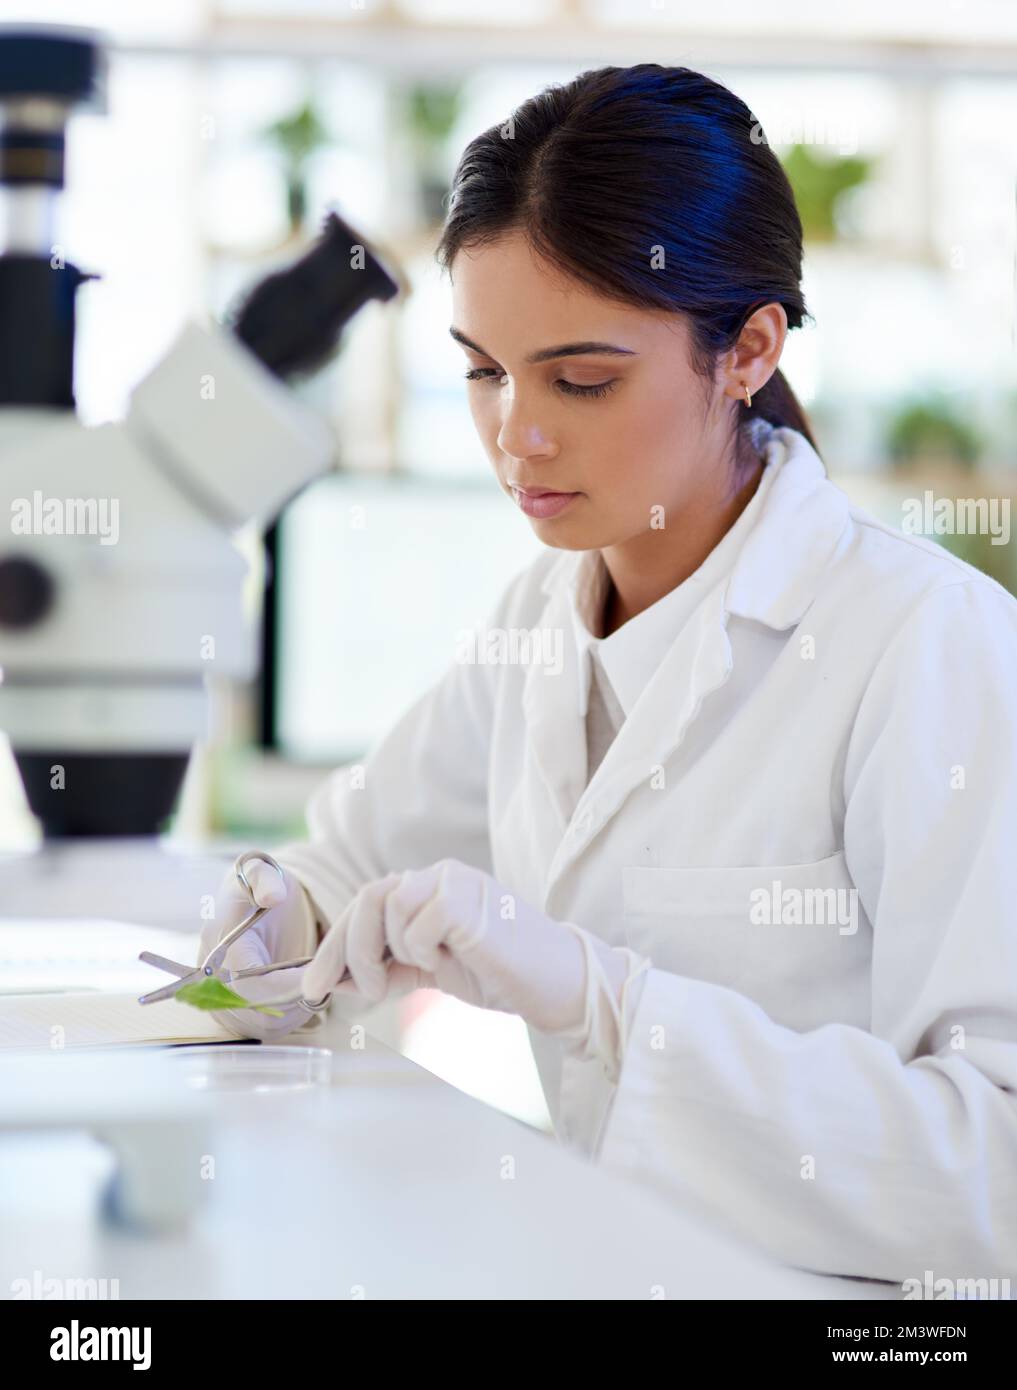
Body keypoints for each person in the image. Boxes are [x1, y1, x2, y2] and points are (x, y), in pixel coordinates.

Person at [199, 64, 1017, 1285]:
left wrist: (606, 1002)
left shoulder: (928, 644)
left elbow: (992, 1165)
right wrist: (280, 921)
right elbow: (345, 857)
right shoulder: (544, 615)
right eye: (484, 370)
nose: (517, 434)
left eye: (582, 379)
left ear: (746, 350)